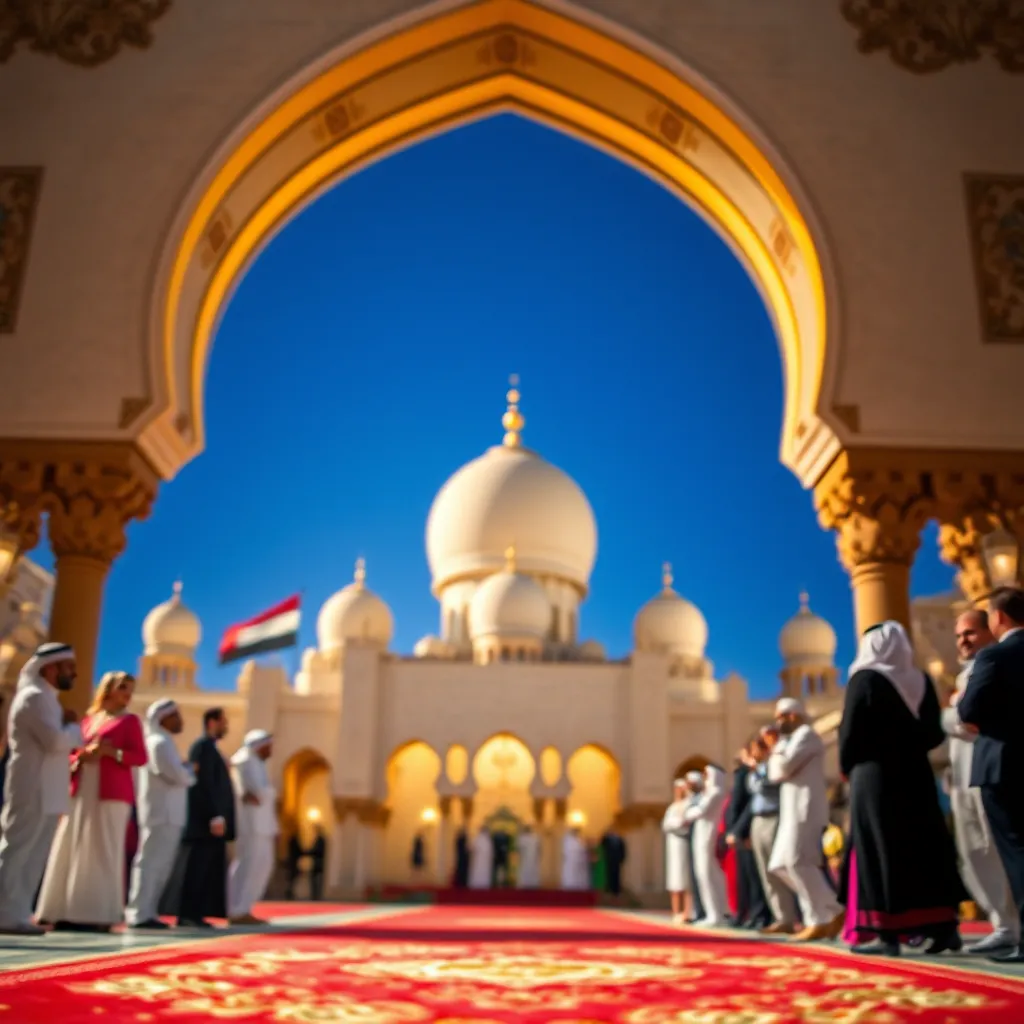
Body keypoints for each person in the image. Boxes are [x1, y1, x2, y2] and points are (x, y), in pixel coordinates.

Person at [839, 621, 966, 957]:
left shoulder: (864, 679)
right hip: (915, 776)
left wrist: (845, 767)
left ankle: (886, 932)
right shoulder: (921, 679)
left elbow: (849, 733)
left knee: (880, 848)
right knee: (924, 847)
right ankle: (944, 928)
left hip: (874, 777)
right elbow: (935, 734)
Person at [37, 671, 147, 932]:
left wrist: (111, 752)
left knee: (104, 848)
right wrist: (80, 758)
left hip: (111, 792)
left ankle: (98, 913)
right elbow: (71, 752)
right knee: (71, 844)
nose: (127, 694)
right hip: (82, 788)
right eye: (122, 688)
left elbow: (139, 757)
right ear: (107, 689)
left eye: (130, 689)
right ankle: (62, 909)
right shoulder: (88, 721)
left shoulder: (130, 721)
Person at [943, 609, 1017, 955]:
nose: (963, 640)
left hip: (988, 770)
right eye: (959, 635)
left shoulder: (995, 665)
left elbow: (968, 722)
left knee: (996, 848)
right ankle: (1001, 922)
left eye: (970, 632)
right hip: (964, 777)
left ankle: (1012, 924)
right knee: (973, 851)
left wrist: (952, 712)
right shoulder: (966, 675)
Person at [958, 586, 1024, 964]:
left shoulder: (994, 656)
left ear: (998, 618)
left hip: (1002, 766)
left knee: (1016, 854)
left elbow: (968, 711)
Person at [0, 643, 81, 934]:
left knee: (34, 853)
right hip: (30, 784)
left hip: (46, 788)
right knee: (18, 848)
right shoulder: (33, 697)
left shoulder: (48, 699)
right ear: (50, 668)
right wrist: (72, 727)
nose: (74, 673)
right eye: (68, 667)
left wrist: (68, 729)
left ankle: (16, 913)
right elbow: (55, 742)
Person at [767, 697, 843, 942]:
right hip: (791, 810)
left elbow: (782, 769)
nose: (778, 722)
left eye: (781, 717)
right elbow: (774, 774)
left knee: (799, 862)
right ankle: (832, 909)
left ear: (793, 716)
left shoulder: (806, 735)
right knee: (779, 865)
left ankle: (817, 919)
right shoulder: (789, 741)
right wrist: (779, 749)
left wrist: (776, 748)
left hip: (805, 808)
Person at [126, 698, 195, 929]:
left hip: (170, 814)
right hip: (160, 813)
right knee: (150, 863)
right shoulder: (157, 743)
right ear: (164, 718)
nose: (180, 721)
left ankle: (149, 911)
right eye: (175, 715)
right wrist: (189, 772)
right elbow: (176, 775)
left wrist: (184, 772)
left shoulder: (166, 742)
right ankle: (139, 912)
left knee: (161, 865)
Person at [173, 707, 236, 927]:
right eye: (223, 721)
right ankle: (188, 914)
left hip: (210, 823)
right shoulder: (202, 748)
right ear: (212, 722)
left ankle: (196, 913)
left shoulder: (211, 749)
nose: (225, 726)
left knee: (206, 869)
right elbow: (203, 784)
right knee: (197, 869)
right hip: (204, 824)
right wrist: (214, 815)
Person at [747, 728, 798, 935]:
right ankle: (782, 917)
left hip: (774, 816)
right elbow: (753, 787)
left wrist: (758, 771)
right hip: (758, 818)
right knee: (766, 872)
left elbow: (766, 786)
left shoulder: (773, 763)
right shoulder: (758, 768)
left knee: (780, 867)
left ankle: (804, 915)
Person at [228, 729, 277, 924]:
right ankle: (235, 909)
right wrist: (264, 794)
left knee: (261, 866)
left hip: (263, 826)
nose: (270, 751)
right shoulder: (243, 761)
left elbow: (262, 795)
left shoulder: (257, 763)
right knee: (246, 866)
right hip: (250, 825)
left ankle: (245, 908)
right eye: (268, 746)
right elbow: (252, 794)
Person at [725, 743, 769, 929]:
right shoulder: (743, 774)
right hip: (740, 830)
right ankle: (748, 913)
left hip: (748, 830)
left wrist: (738, 830)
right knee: (744, 877)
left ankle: (759, 914)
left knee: (754, 876)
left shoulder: (749, 774)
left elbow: (748, 804)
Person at [683, 765, 729, 927]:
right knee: (703, 875)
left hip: (708, 838)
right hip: (701, 837)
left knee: (709, 875)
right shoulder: (707, 794)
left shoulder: (716, 793)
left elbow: (697, 812)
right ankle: (711, 913)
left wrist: (689, 812)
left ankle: (716, 914)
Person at [662, 778, 693, 925]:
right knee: (674, 878)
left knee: (686, 878)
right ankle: (675, 911)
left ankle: (687, 911)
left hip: (684, 843)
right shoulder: (672, 807)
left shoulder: (688, 805)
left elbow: (683, 823)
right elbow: (666, 824)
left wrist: (675, 824)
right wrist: (675, 824)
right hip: (673, 845)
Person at [601, 827, 627, 898]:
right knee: (609, 874)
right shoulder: (607, 839)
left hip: (617, 860)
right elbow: (602, 844)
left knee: (617, 875)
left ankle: (616, 890)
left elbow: (623, 850)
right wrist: (605, 835)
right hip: (609, 859)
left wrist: (622, 858)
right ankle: (609, 889)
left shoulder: (620, 840)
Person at [309, 826, 326, 900]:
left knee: (317, 879)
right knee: (314, 880)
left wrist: (309, 852)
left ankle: (316, 895)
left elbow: (317, 851)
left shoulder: (320, 840)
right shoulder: (318, 839)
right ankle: (314, 895)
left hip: (318, 863)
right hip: (317, 862)